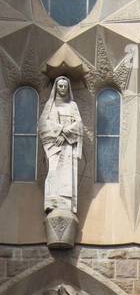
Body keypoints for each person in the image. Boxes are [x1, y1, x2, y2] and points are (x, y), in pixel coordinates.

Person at [39, 76, 83, 216]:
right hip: (54, 146)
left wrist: (64, 134)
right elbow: (43, 124)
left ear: (68, 87)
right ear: (56, 87)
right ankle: (52, 202)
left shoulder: (72, 106)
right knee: (53, 172)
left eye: (65, 86)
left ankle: (66, 204)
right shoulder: (50, 105)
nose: (62, 89)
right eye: (60, 86)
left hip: (68, 145)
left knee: (67, 175)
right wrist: (58, 131)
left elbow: (79, 125)